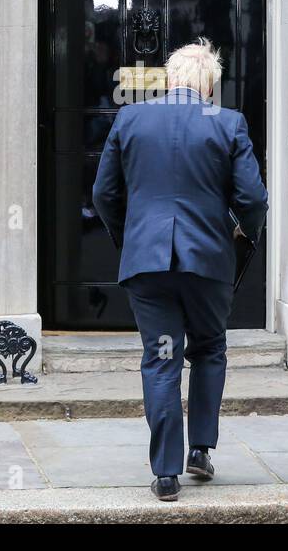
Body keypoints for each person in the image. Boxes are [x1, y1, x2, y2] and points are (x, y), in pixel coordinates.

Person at [92, 39, 268, 501]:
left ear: (169, 79)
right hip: (207, 259)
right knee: (209, 349)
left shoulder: (131, 118)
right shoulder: (227, 122)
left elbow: (103, 195)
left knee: (161, 356)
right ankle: (200, 451)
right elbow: (253, 199)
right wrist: (241, 235)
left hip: (147, 260)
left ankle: (165, 473)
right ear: (210, 84)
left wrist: (128, 237)